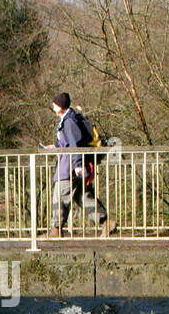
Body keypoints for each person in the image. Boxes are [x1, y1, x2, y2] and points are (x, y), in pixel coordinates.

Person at [41, 92, 116, 237]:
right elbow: (69, 143)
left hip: (69, 168)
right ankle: (106, 223)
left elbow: (74, 144)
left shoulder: (69, 121)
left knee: (60, 196)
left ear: (60, 106)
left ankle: (56, 230)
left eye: (54, 104)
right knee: (83, 197)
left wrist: (77, 165)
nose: (53, 106)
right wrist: (56, 147)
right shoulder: (70, 119)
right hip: (75, 167)